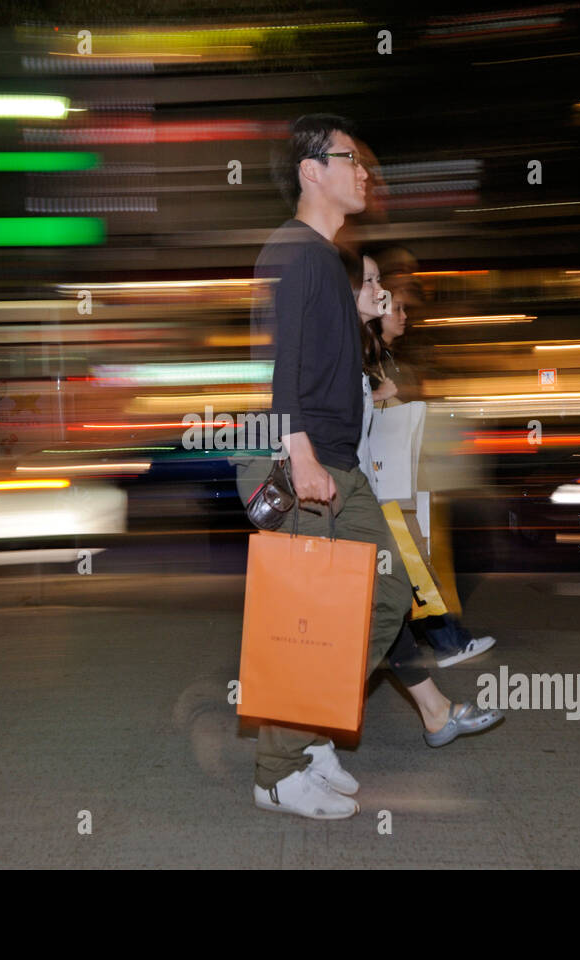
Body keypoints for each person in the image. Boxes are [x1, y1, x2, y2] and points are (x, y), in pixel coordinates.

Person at [235, 115, 502, 821]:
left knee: (381, 602)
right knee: (306, 620)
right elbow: (285, 364)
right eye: (349, 160)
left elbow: (325, 358)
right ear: (310, 171)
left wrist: (357, 317)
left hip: (338, 464)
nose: (363, 173)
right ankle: (276, 772)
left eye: (363, 163)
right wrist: (299, 455)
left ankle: (310, 729)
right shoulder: (295, 249)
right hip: (306, 462)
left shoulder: (325, 259)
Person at [351, 249, 497, 669]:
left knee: (408, 566)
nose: (404, 315)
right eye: (396, 308)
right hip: (382, 482)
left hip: (395, 479)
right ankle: (446, 641)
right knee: (409, 564)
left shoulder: (387, 358)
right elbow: (362, 417)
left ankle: (437, 642)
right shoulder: (371, 360)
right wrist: (380, 398)